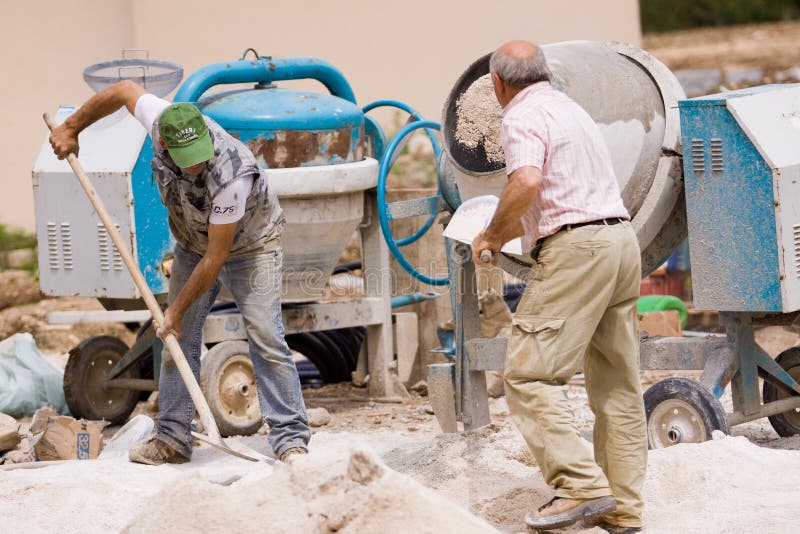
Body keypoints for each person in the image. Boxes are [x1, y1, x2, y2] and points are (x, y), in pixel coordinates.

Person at [49, 80, 311, 465]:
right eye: (186, 156)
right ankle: (172, 439)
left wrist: (173, 310)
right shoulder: (161, 120)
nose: (197, 162)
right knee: (176, 342)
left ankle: (291, 441)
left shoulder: (231, 176)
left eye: (200, 153)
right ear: (164, 143)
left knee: (266, 335)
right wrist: (72, 127)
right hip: (193, 241)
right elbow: (123, 91)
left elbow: (215, 259)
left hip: (251, 245)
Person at [472, 41, 646, 533]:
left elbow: (526, 180)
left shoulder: (520, 115)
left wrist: (491, 235)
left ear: (497, 84)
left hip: (577, 247)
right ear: (544, 72)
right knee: (617, 384)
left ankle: (579, 485)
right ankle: (623, 509)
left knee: (528, 375)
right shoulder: (572, 109)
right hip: (619, 239)